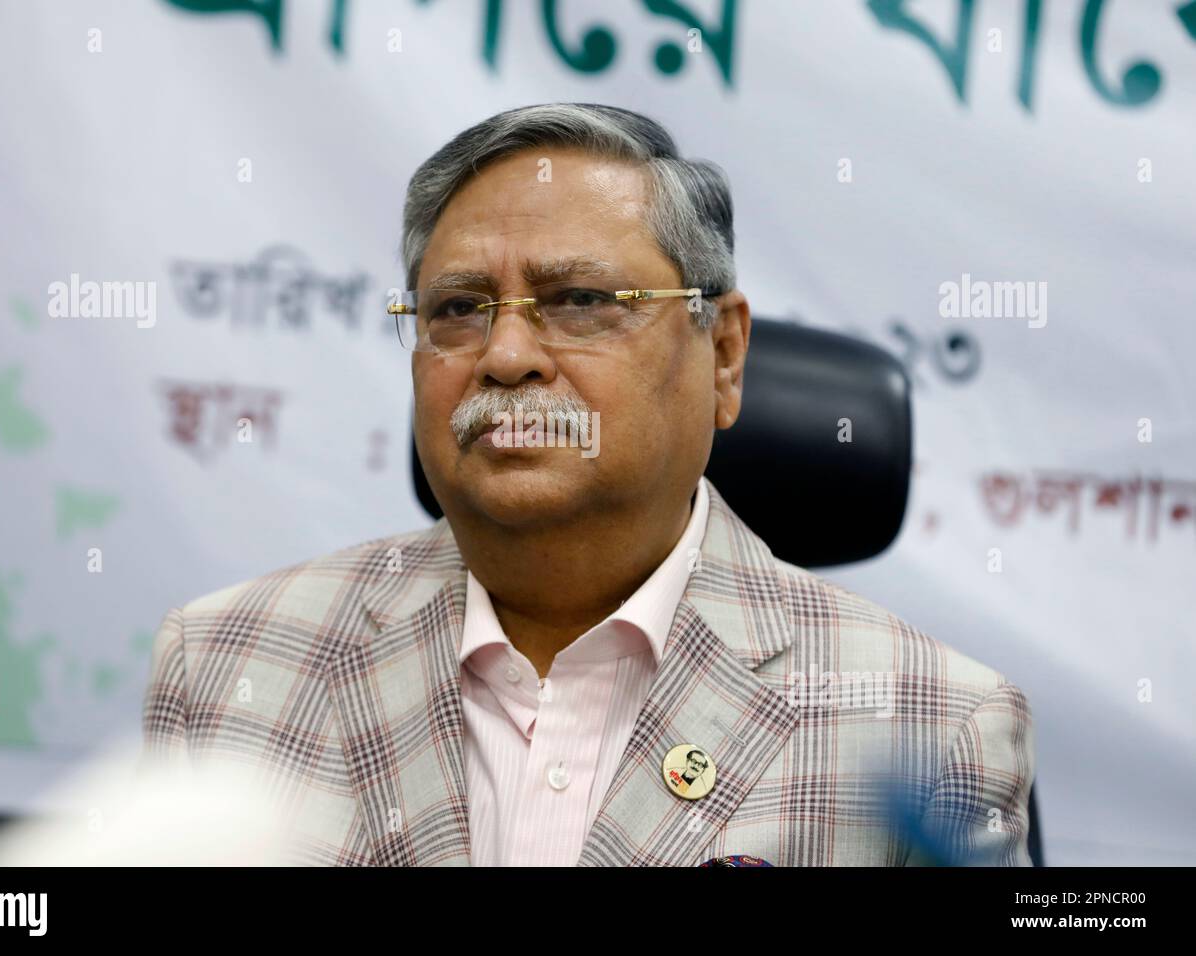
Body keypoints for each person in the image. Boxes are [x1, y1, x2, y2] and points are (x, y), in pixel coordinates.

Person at [142, 102, 1035, 867]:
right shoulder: (227, 666)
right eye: (458, 309)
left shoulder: (931, 722)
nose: (506, 356)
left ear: (722, 354)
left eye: (578, 301)